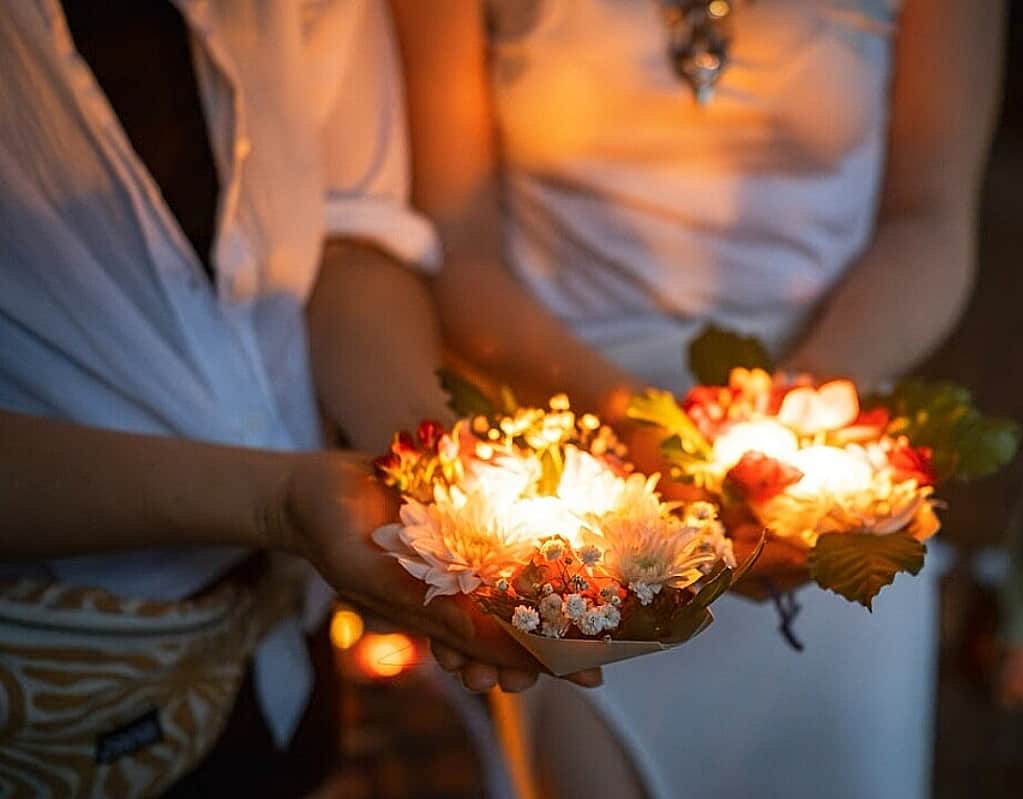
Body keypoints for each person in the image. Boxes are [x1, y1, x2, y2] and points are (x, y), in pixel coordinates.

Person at [393, 0, 1004, 796]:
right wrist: (631, 419)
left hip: (821, 456)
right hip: (574, 478)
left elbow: (932, 219)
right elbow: (456, 245)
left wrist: (797, 408)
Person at [0, 2, 595, 795]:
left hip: (287, 633)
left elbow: (349, 237)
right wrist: (283, 501)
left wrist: (434, 477)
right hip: (47, 683)